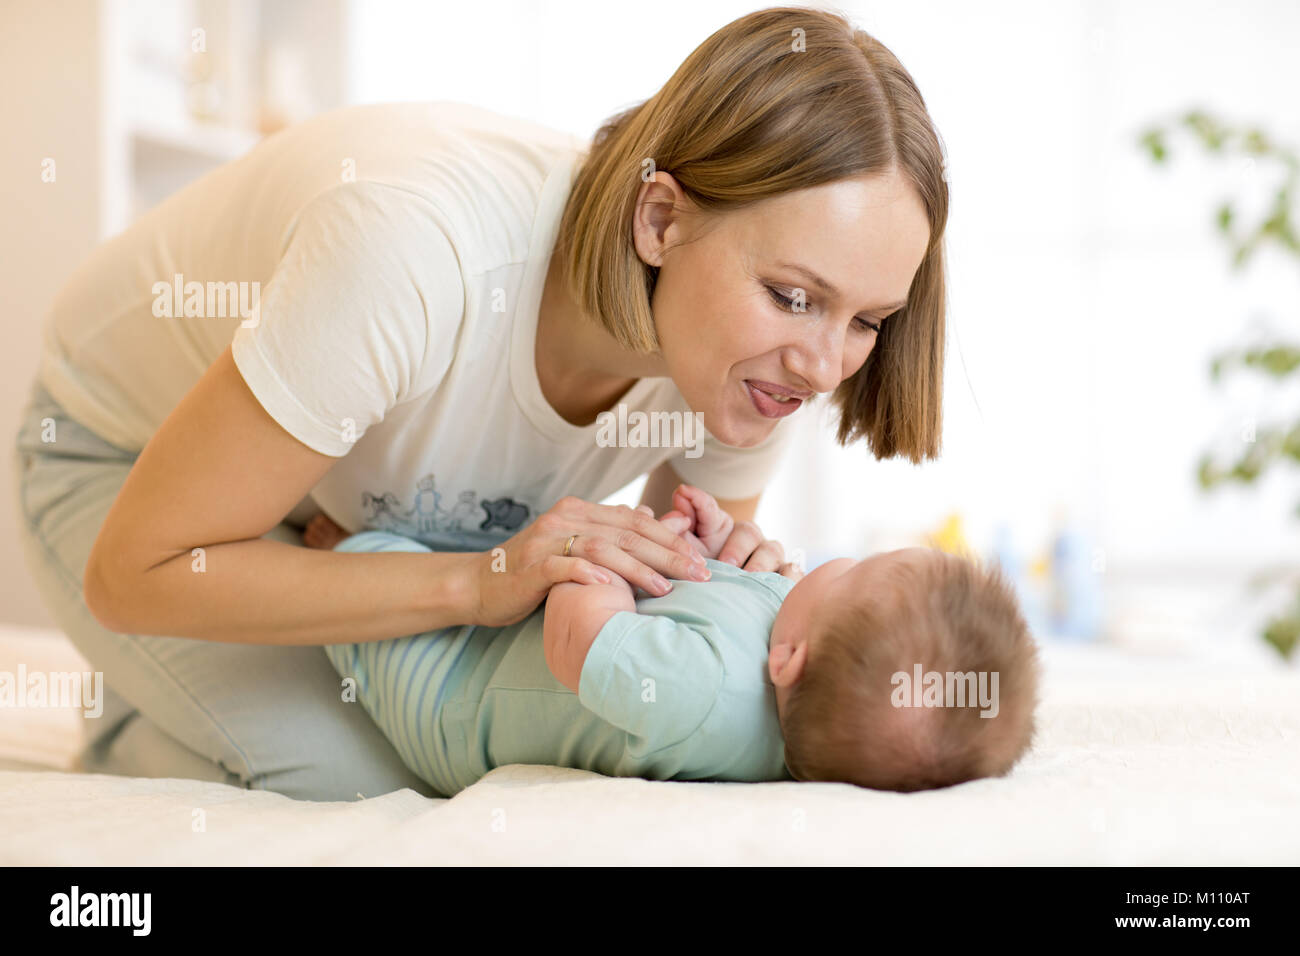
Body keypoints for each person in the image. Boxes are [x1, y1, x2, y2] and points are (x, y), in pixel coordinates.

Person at [10, 7, 948, 800]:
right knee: (364, 785)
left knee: (477, 749)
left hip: (355, 512)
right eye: (794, 296)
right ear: (662, 220)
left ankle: (177, 695)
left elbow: (662, 626)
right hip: (125, 478)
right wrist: (473, 580)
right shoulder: (414, 251)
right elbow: (133, 571)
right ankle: (134, 730)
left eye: (869, 319)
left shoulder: (752, 367)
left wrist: (727, 574)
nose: (826, 365)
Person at [302, 483, 1039, 795]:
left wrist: (609, 559)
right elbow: (731, 600)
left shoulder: (702, 698)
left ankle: (331, 549)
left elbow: (579, 643)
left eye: (854, 570)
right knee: (459, 540)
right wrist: (710, 548)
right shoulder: (802, 656)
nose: (831, 562)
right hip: (500, 639)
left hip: (453, 695)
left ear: (788, 661)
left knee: (374, 593)